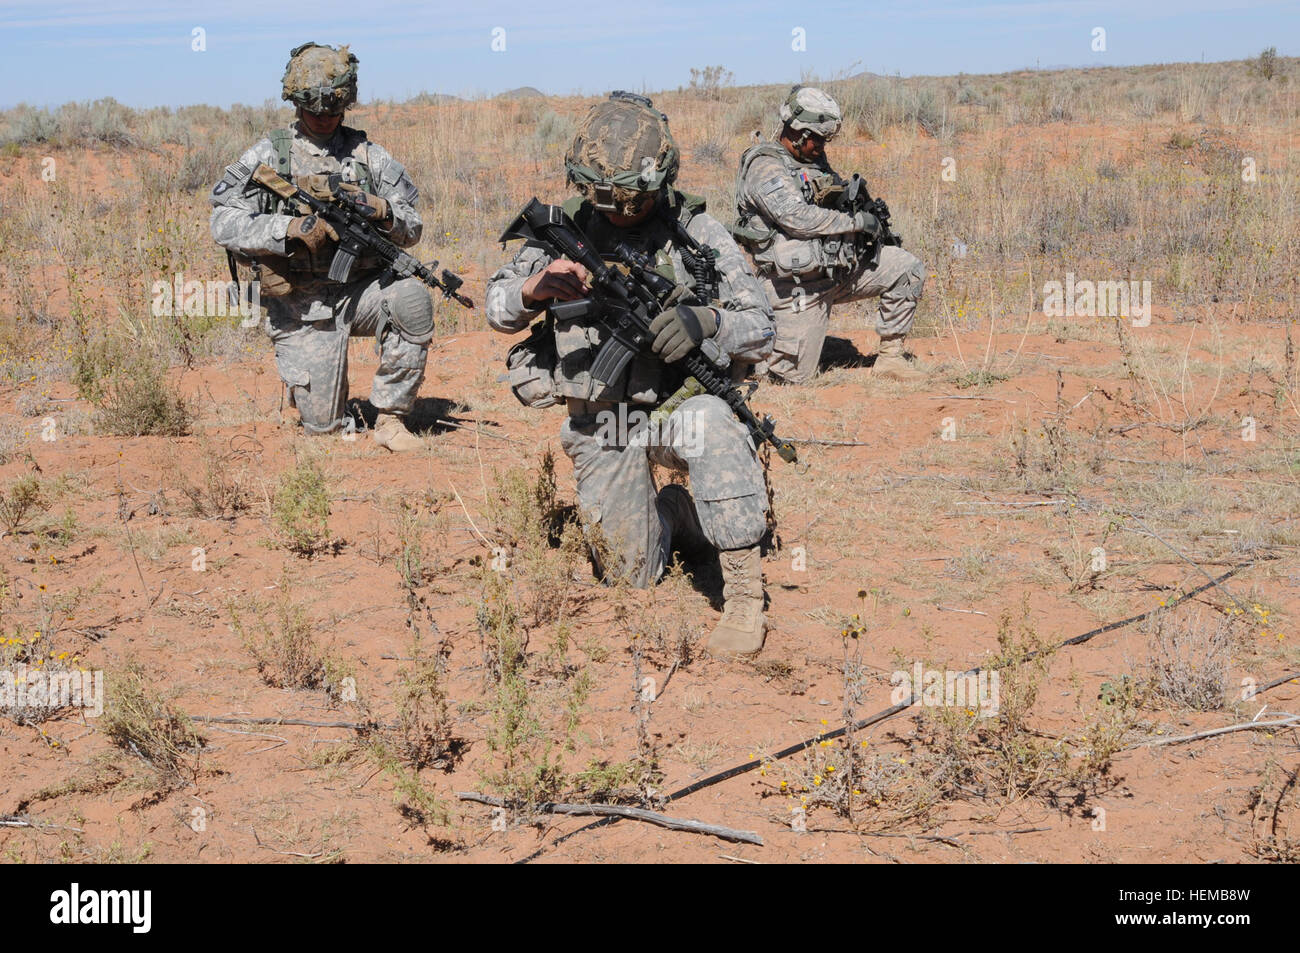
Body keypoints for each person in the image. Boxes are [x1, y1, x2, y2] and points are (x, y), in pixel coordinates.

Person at [486, 92, 777, 657]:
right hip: (605, 424)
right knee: (630, 575)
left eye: (634, 202)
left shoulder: (697, 234)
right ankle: (677, 515)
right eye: (606, 199)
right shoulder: (561, 231)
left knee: (716, 426)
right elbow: (495, 309)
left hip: (678, 411)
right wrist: (534, 288)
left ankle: (744, 597)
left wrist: (707, 320)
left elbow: (763, 326)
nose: (619, 213)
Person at [210, 42, 432, 450]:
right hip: (298, 305)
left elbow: (413, 224)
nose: (326, 119)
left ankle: (390, 419)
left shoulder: (368, 156)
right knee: (325, 430)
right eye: (316, 111)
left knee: (412, 298)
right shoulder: (269, 156)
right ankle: (310, 388)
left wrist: (383, 210)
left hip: (358, 292)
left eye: (335, 111)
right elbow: (222, 221)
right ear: (296, 104)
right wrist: (287, 227)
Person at [734, 85, 927, 384]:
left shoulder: (813, 162)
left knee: (906, 268)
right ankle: (757, 348)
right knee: (792, 380)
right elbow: (798, 218)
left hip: (834, 273)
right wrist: (855, 221)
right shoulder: (765, 166)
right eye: (818, 140)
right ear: (798, 133)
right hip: (793, 287)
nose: (821, 147)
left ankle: (890, 356)